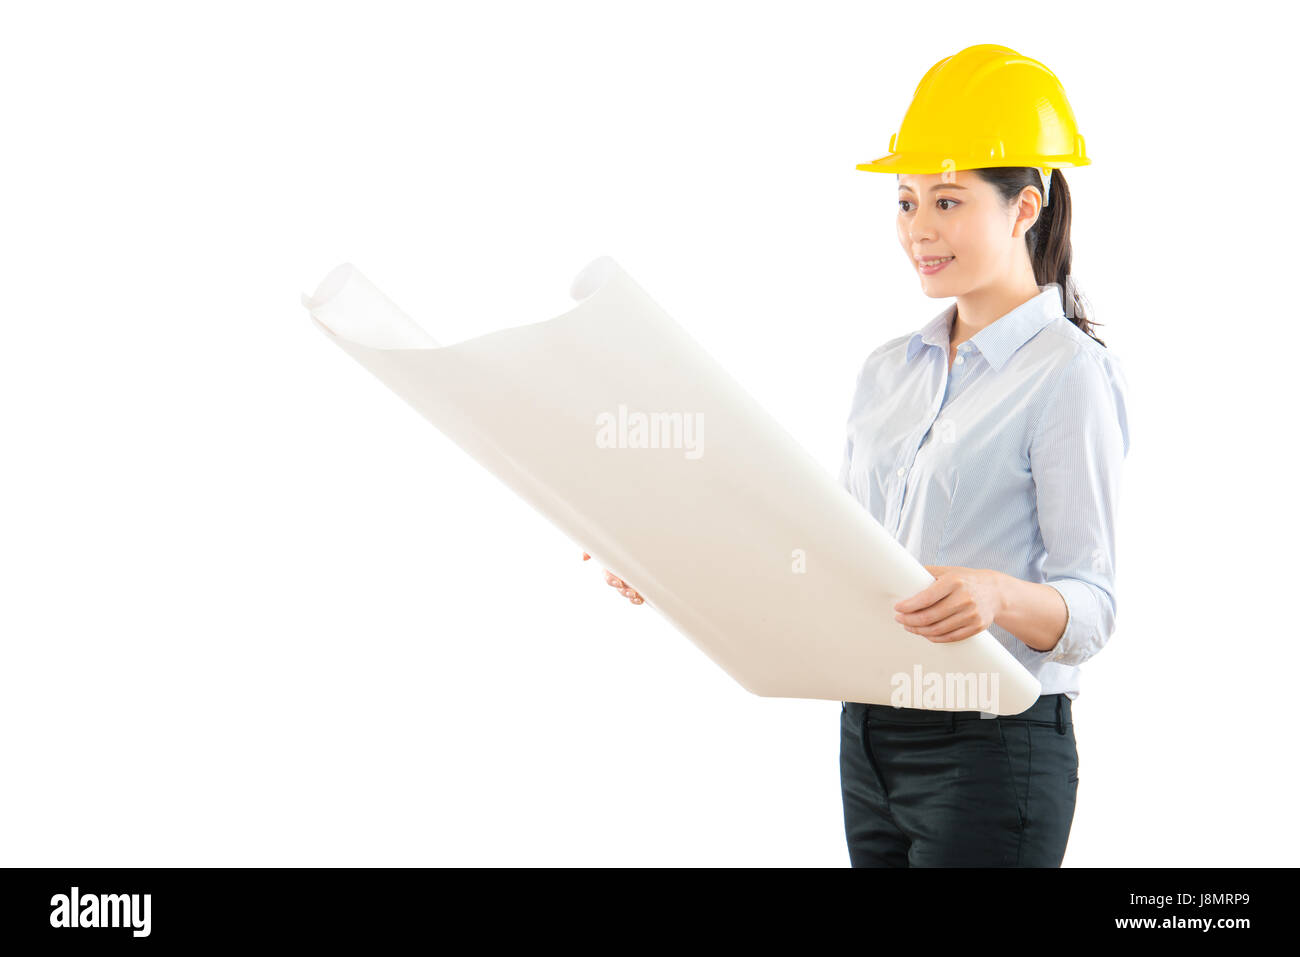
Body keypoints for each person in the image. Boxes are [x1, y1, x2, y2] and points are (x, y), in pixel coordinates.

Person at [587, 43, 1129, 868]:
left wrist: (997, 596)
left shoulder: (1068, 375)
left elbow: (1092, 606)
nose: (919, 230)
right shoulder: (888, 371)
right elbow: (829, 560)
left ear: (1025, 208)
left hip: (994, 748)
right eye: (906, 202)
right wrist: (667, 570)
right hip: (870, 734)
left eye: (947, 201)